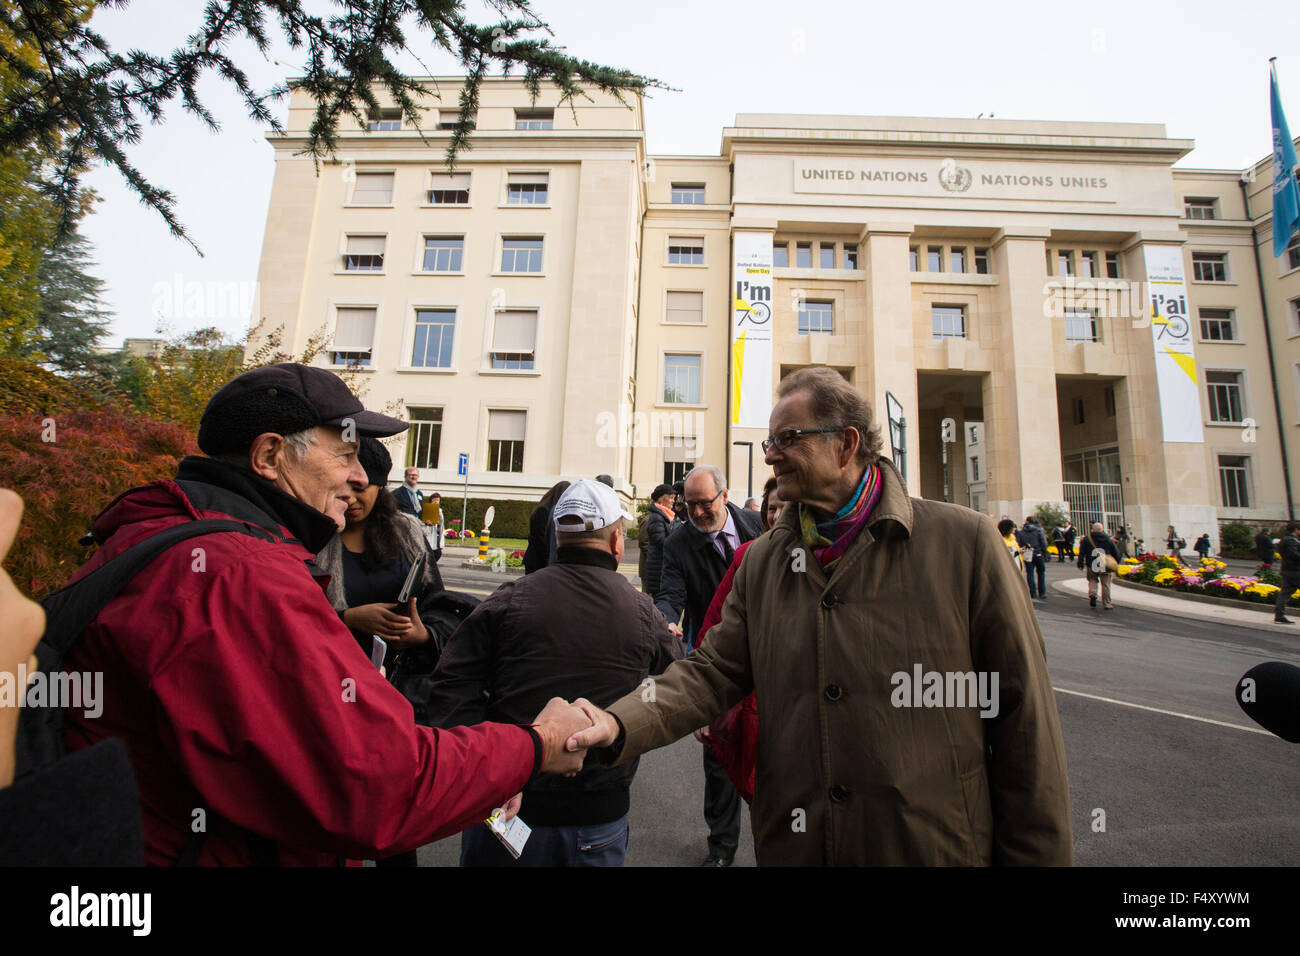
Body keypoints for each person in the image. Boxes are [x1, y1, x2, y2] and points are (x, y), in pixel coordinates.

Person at [59, 363, 592, 865]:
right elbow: (377, 785)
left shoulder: (176, 537)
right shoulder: (242, 573)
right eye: (346, 455)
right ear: (270, 457)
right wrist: (534, 744)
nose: (363, 477)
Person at [569, 366, 1072, 866]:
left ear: (846, 443)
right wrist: (615, 722)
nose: (770, 455)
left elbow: (1025, 725)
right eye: (769, 441)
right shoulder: (762, 561)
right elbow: (710, 673)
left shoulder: (966, 545)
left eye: (787, 438)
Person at [425, 480, 682, 866]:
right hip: (596, 819)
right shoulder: (641, 611)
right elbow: (679, 676)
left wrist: (484, 772)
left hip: (505, 805)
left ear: (557, 539)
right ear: (616, 542)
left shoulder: (508, 600)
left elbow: (448, 691)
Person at [654, 463, 763, 867]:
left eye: (705, 504)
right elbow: (670, 594)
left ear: (726, 496)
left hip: (766, 654)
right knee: (719, 756)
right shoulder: (679, 542)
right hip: (715, 656)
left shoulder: (758, 526)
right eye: (690, 506)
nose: (697, 513)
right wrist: (666, 619)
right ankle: (721, 850)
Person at [691, 475, 785, 805]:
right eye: (772, 508)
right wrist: (703, 706)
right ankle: (721, 849)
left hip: (793, 711)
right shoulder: (748, 557)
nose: (777, 515)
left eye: (786, 507)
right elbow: (712, 633)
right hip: (744, 700)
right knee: (725, 777)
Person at [524, 480, 569, 575]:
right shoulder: (544, 511)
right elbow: (541, 539)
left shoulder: (545, 508)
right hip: (537, 560)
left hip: (538, 559)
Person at [639, 483, 676, 598]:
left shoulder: (666, 516)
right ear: (662, 499)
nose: (673, 501)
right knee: (650, 601)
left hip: (658, 568)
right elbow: (645, 543)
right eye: (670, 498)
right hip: (652, 569)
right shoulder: (654, 518)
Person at [1078, 521, 1120, 610]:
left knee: (1092, 580)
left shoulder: (1087, 539)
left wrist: (1080, 562)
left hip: (1091, 563)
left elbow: (1082, 552)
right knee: (1105, 584)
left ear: (1092, 529)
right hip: (1105, 564)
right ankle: (1107, 603)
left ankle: (1093, 595)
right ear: (1102, 529)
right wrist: (1116, 562)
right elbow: (1115, 551)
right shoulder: (1107, 539)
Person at [1274, 522, 1300, 624]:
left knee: (1284, 594)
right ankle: (1279, 616)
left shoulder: (1284, 540)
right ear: (1296, 530)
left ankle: (1279, 616)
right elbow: (1294, 554)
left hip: (1287, 570)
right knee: (1285, 594)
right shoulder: (1291, 540)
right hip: (1295, 571)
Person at [1019, 516, 1049, 600]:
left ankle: (1033, 592)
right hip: (1038, 552)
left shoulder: (1022, 532)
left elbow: (1020, 542)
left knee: (1030, 573)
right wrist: (1044, 551)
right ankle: (1042, 592)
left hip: (1027, 553)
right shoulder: (1039, 530)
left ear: (1027, 521)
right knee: (1041, 573)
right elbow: (1043, 542)